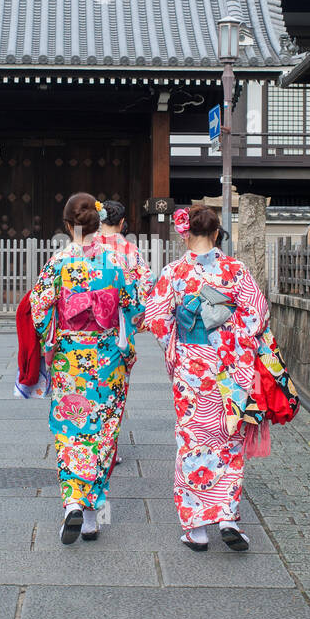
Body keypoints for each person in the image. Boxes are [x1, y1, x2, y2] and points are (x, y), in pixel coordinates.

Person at [144, 204, 269, 552]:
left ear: (186, 234)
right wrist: (233, 340)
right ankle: (227, 516)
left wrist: (178, 350)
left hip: (193, 370)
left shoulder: (174, 273)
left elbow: (156, 319)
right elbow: (257, 315)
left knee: (192, 440)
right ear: (216, 234)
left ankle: (197, 528)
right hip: (232, 369)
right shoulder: (236, 270)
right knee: (230, 440)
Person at [29, 193, 146, 544]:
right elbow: (136, 306)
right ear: (99, 222)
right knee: (103, 432)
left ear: (68, 226)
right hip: (108, 360)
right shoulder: (117, 261)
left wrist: (51, 338)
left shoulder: (58, 262)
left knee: (71, 429)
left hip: (70, 360)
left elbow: (38, 312)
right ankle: (92, 517)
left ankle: (72, 505)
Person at [85, 200, 153, 470]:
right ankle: (108, 450)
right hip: (117, 332)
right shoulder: (130, 251)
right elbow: (143, 290)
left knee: (87, 387)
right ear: (123, 222)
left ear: (99, 220)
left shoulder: (84, 248)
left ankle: (84, 446)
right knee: (114, 393)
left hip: (83, 332)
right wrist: (135, 321)